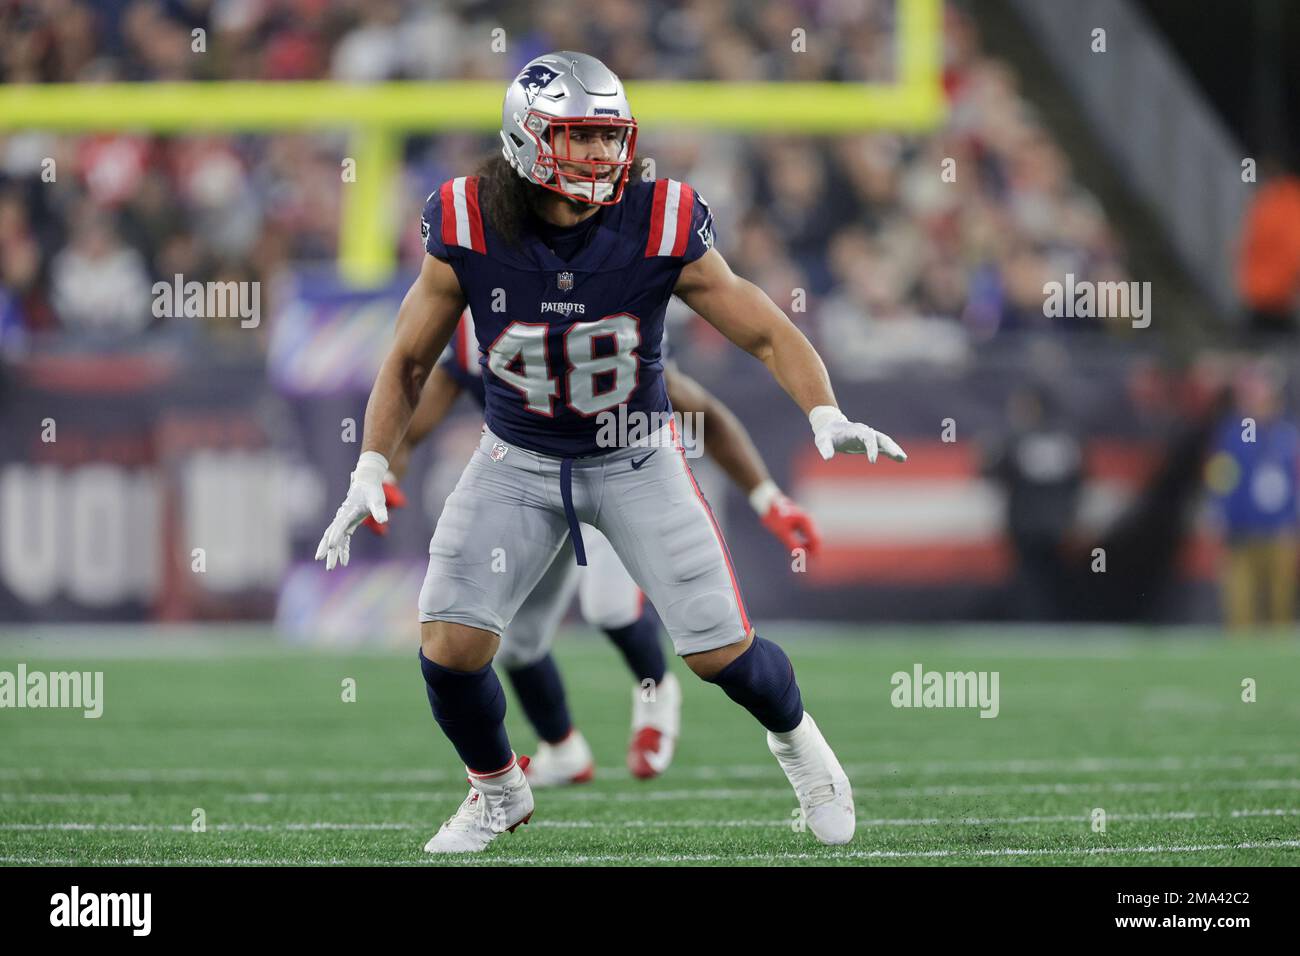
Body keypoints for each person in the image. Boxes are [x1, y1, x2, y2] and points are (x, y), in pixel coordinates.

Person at [316, 51, 905, 853]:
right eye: (580, 137)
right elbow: (410, 360)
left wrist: (824, 411)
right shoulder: (466, 218)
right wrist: (371, 466)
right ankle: (497, 792)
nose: (600, 156)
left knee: (719, 655)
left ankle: (804, 752)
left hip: (635, 455)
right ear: (528, 141)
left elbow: (763, 325)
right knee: (450, 649)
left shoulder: (657, 218)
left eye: (608, 136)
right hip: (514, 459)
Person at [365, 307, 823, 786]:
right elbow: (414, 418)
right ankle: (563, 749)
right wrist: (386, 473)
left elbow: (701, 410)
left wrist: (767, 497)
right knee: (518, 644)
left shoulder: (594, 308)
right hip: (534, 487)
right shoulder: (468, 327)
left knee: (608, 606)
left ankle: (656, 694)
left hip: (616, 475)